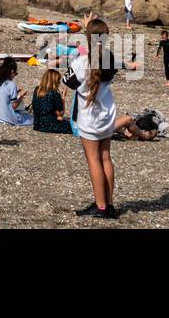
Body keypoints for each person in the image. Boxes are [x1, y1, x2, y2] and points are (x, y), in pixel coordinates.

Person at [70, 15, 121, 219]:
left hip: (90, 117)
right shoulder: (110, 60)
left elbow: (69, 83)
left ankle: (101, 206)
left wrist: (86, 32)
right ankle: (108, 203)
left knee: (93, 159)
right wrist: (89, 31)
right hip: (107, 115)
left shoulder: (80, 63)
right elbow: (100, 52)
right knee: (105, 157)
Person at [0, 58, 33, 126]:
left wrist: (16, 92)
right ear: (12, 71)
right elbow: (14, 106)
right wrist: (21, 96)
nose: (14, 76)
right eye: (15, 73)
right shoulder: (11, 84)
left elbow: (1, 94)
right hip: (4, 118)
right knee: (29, 118)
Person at [32, 68, 73, 134]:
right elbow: (60, 114)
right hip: (49, 125)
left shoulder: (37, 90)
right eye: (58, 81)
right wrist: (63, 97)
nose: (59, 83)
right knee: (74, 126)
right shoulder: (54, 93)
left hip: (37, 125)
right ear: (54, 81)